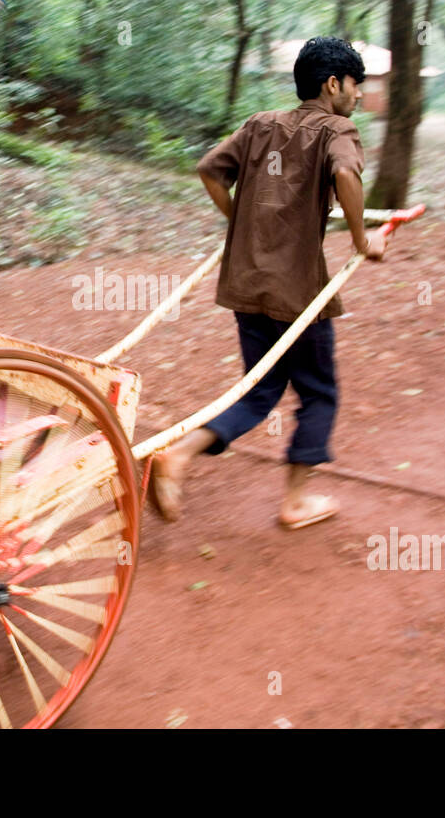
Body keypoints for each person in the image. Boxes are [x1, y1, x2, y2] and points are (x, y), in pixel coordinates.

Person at [148, 36, 385, 530]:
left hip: (246, 279)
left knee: (261, 387)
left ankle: (179, 455)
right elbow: (346, 174)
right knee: (319, 392)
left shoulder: (260, 124)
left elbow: (209, 170)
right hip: (296, 290)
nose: (359, 95)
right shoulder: (338, 129)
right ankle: (296, 501)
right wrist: (363, 241)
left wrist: (243, 227)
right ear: (333, 83)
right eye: (355, 85)